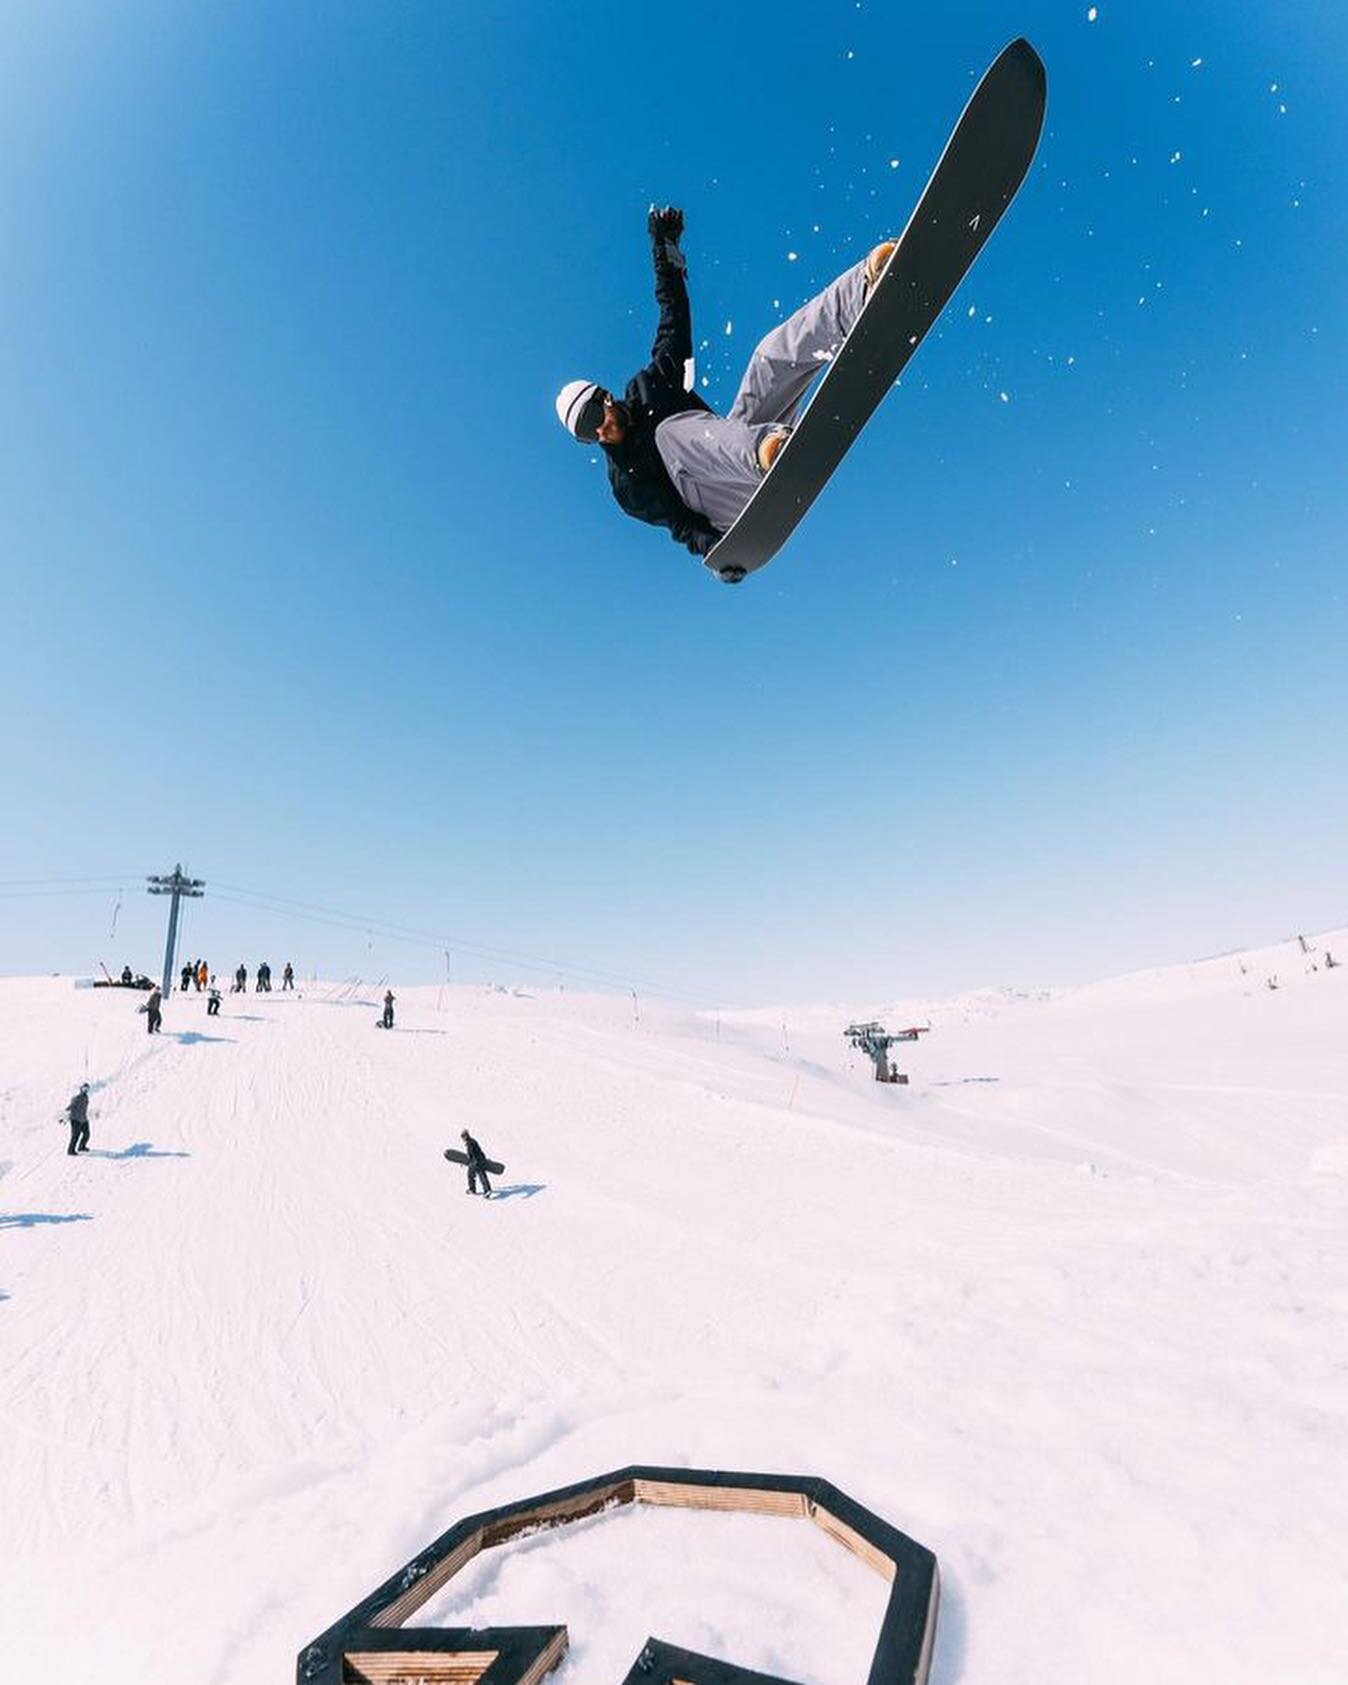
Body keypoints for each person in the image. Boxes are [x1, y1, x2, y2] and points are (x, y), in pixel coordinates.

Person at [555, 206, 895, 568]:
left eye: (594, 414)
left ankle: (863, 288)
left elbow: (673, 317)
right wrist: (718, 553)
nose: (600, 429)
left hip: (744, 451)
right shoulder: (627, 485)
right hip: (728, 506)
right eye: (587, 435)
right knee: (670, 434)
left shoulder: (651, 386)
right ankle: (766, 452)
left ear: (604, 396)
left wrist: (665, 246)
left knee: (770, 356)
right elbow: (679, 524)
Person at [460, 1129, 493, 1198]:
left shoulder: (470, 1143)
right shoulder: (472, 1141)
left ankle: (485, 1190)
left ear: (466, 1136)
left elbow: (472, 1154)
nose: (462, 1139)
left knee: (478, 1175)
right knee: (476, 1175)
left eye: (463, 1137)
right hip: (478, 1160)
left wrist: (473, 1161)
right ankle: (480, 1189)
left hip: (476, 1162)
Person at [64, 1082, 91, 1155]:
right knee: (75, 1135)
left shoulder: (86, 1098)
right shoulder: (77, 1098)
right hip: (75, 1119)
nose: (85, 1090)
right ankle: (70, 1151)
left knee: (87, 1134)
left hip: (83, 1119)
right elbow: (70, 1107)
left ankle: (81, 1146)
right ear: (81, 1089)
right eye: (84, 1088)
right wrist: (64, 1116)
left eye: (87, 1089)